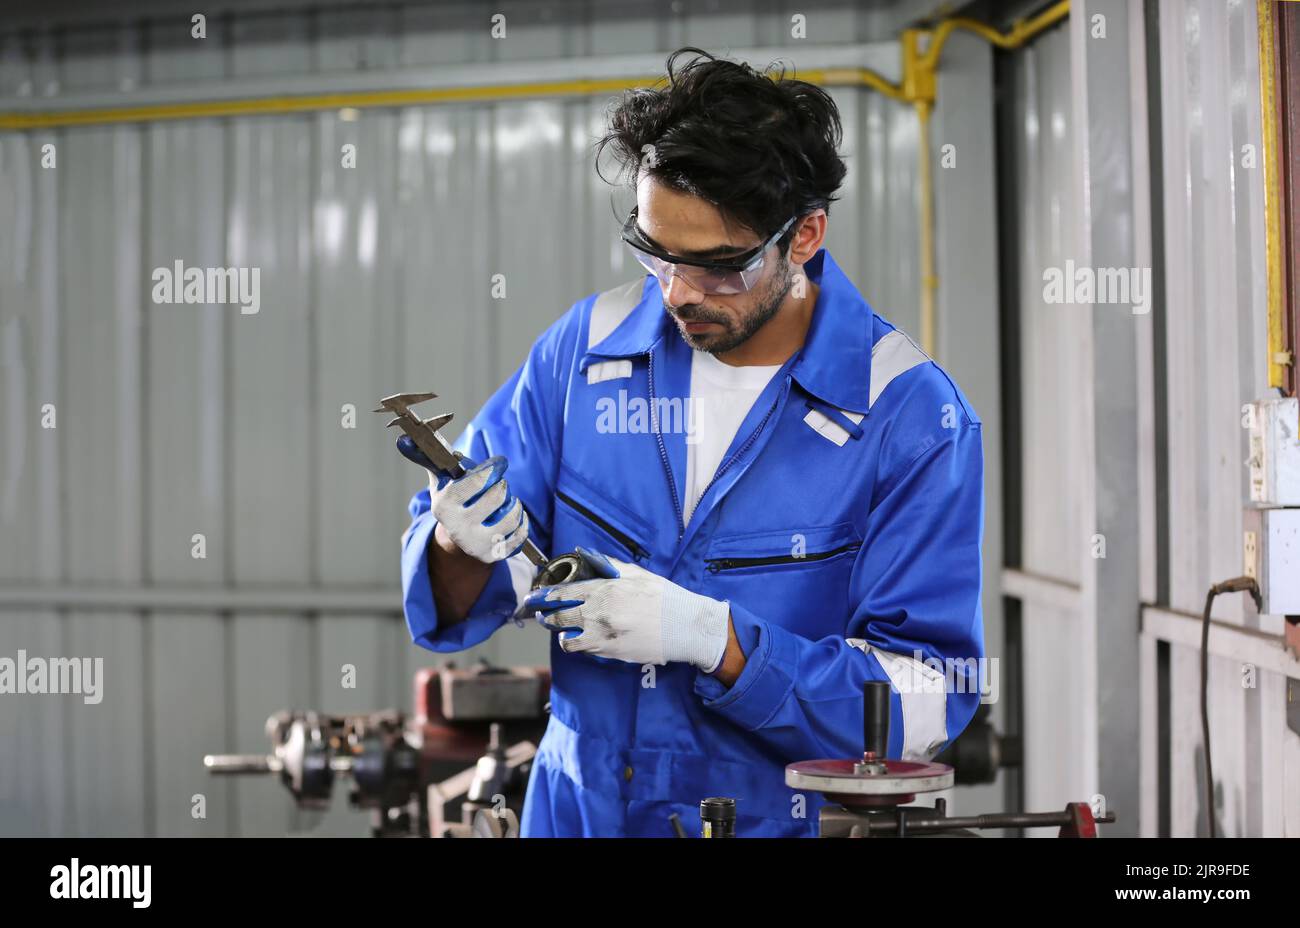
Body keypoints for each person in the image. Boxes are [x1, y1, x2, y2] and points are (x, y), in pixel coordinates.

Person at [397, 47, 985, 837]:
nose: (678, 294)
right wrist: (455, 541)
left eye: (718, 267)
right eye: (655, 253)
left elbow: (925, 703)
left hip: (767, 819)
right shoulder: (587, 350)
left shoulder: (907, 415)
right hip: (575, 813)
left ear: (804, 235)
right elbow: (459, 597)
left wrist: (718, 641)